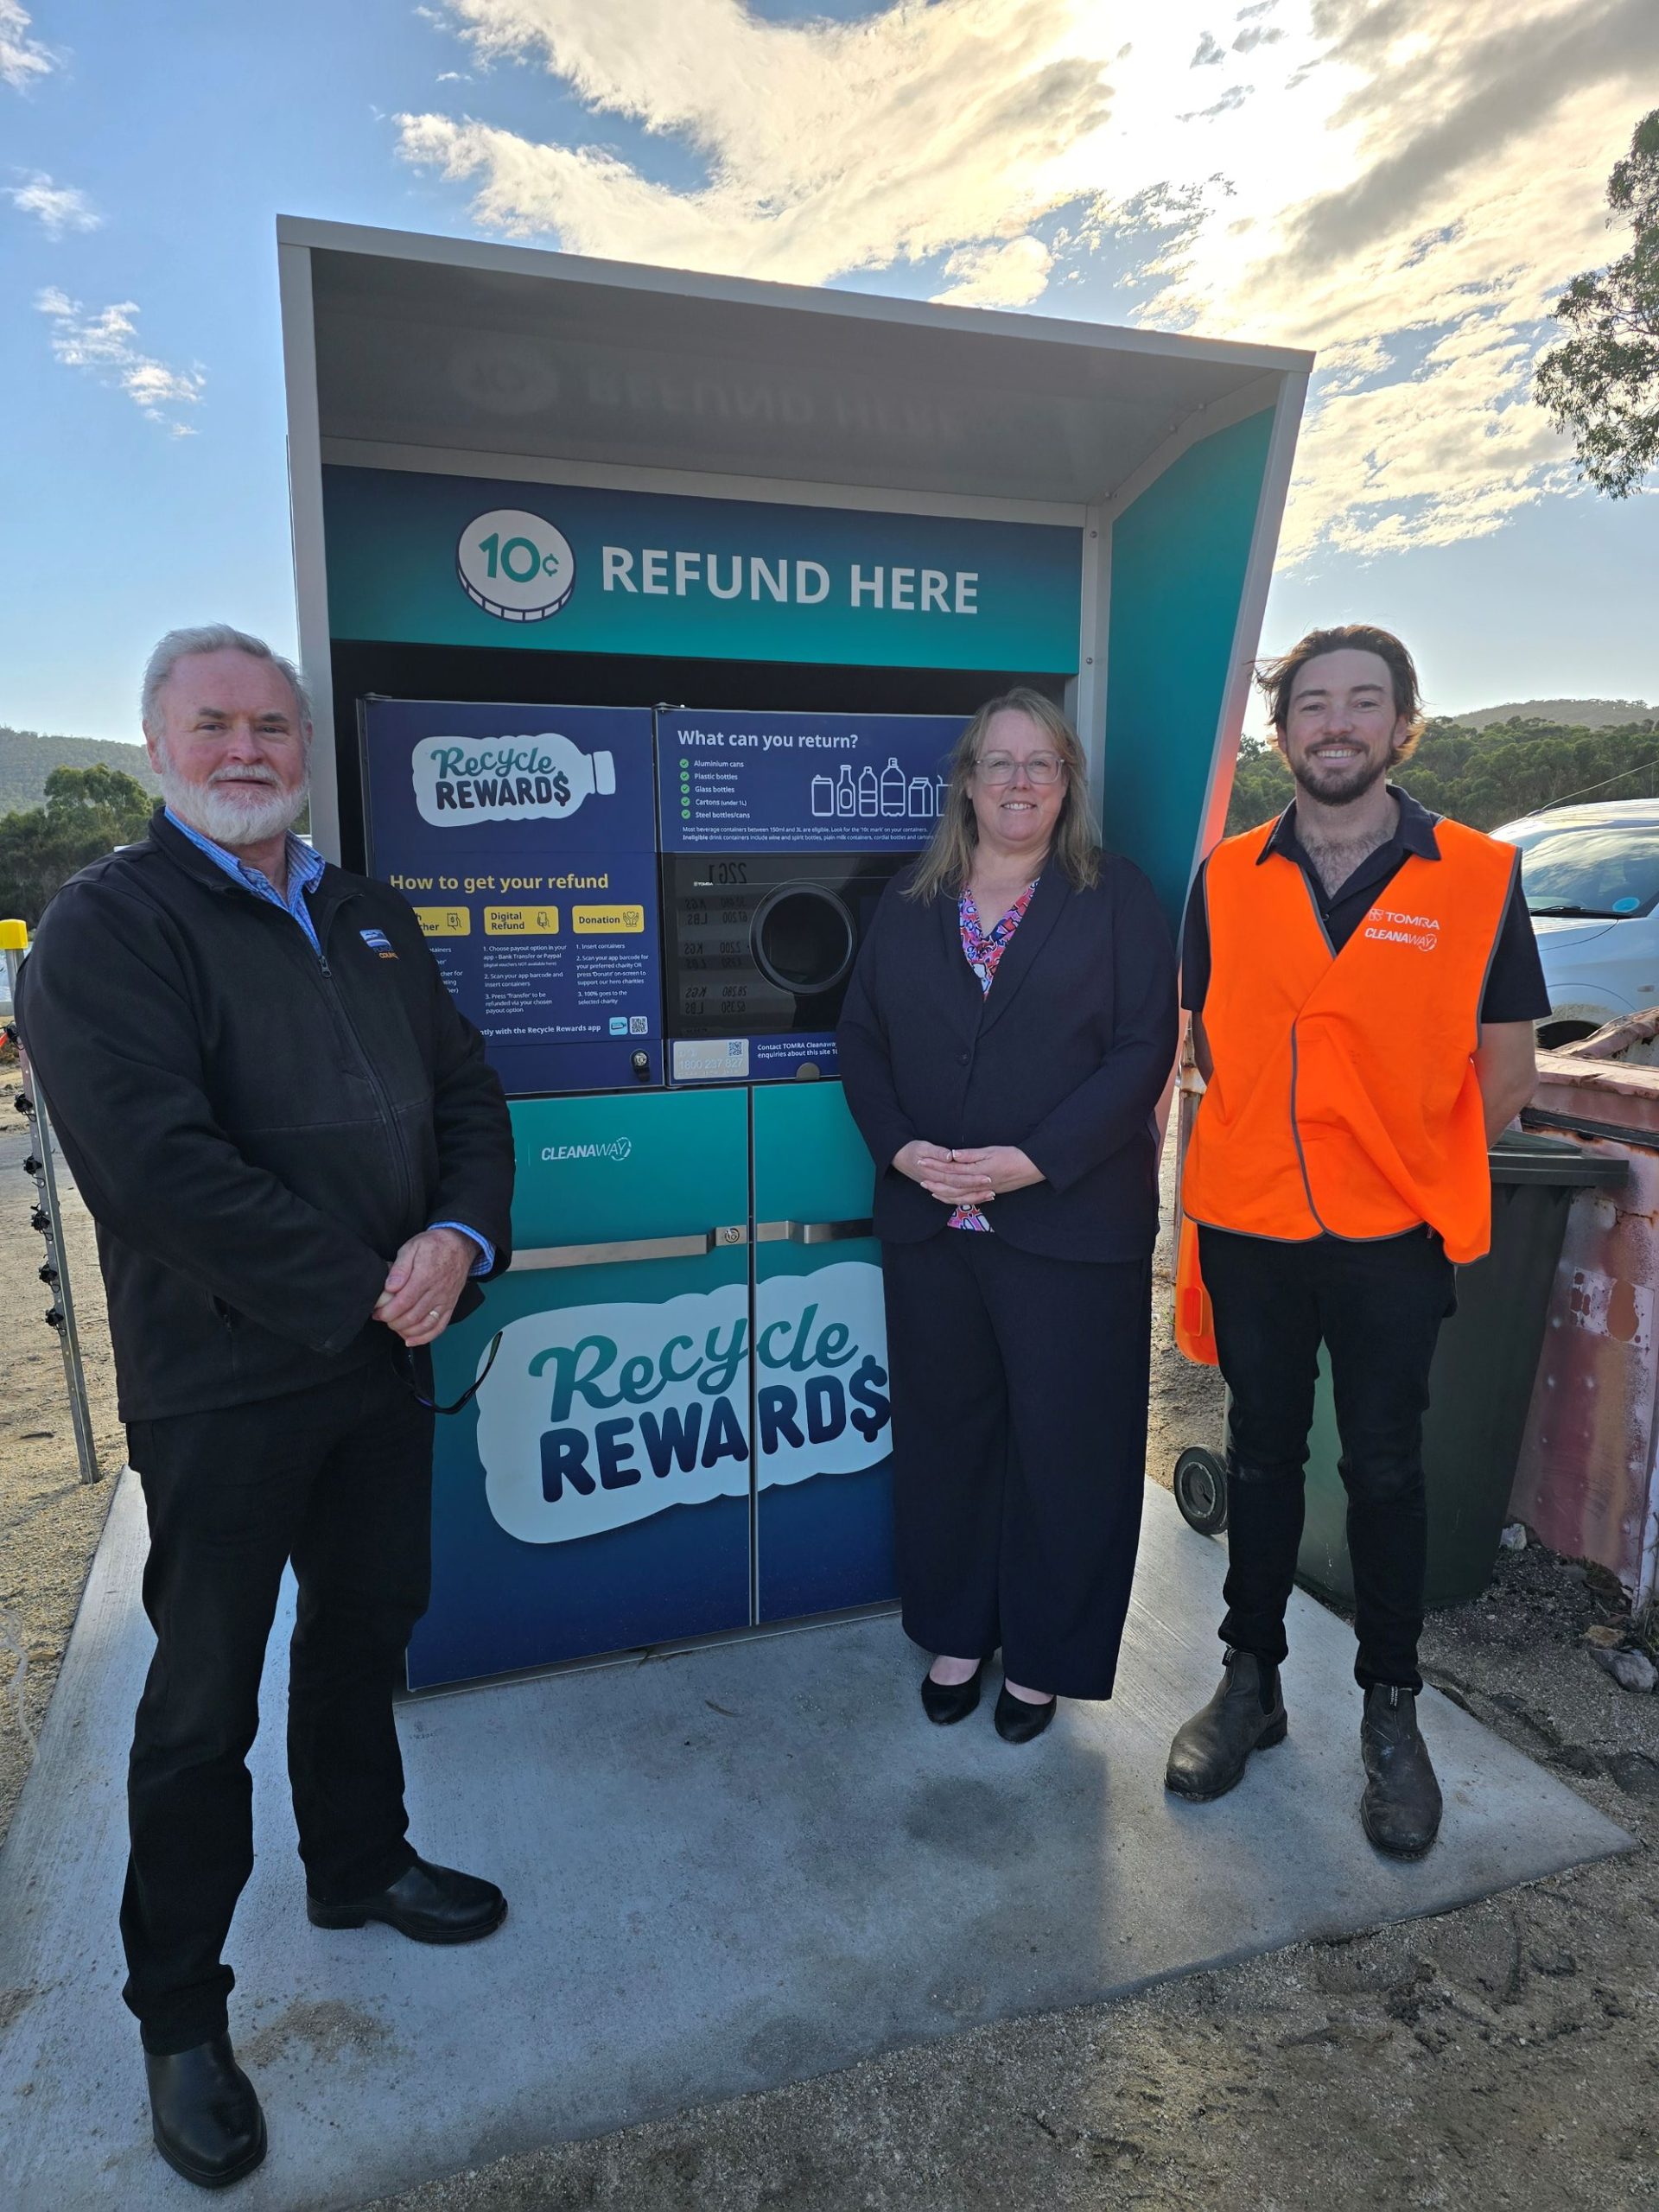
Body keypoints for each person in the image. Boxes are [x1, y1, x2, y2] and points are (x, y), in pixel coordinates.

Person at [16, 625, 515, 2189]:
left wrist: (459, 1239)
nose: (250, 751)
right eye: (216, 724)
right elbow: (158, 1170)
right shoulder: (106, 929)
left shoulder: (366, 913)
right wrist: (370, 1277)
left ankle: (358, 1866)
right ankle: (178, 2014)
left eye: (273, 728)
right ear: (158, 741)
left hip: (378, 1359)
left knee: (369, 1630)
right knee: (200, 1705)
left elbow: (467, 1095)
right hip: (227, 1383)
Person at [1166, 625, 1546, 1857]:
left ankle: (1392, 1710)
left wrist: (1388, 1157)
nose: (1335, 723)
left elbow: (1502, 1073)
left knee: (1385, 1468)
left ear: (1401, 726)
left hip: (1392, 1232)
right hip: (1255, 1219)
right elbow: (1208, 1039)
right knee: (1263, 1453)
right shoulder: (1223, 876)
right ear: (1282, 736)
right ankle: (1252, 1684)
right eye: (1312, 704)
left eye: (1362, 703)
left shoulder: (1479, 874)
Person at [838, 690, 1178, 1744]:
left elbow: (1141, 1052)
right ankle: (957, 1629)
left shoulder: (1116, 896)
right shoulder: (909, 899)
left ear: (1067, 780)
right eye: (1000, 763)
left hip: (1070, 1229)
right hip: (933, 1230)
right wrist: (901, 1148)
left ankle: (1043, 1655)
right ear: (968, 783)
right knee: (950, 1440)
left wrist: (1034, 1161)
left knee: (1066, 1449)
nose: (1020, 782)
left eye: (1041, 764)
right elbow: (861, 1041)